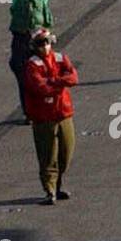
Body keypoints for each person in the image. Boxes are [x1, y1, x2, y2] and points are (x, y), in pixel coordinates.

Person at [21, 29, 78, 205]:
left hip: (63, 113)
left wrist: (53, 82)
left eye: (46, 42)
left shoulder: (60, 58)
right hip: (43, 117)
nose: (44, 46)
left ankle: (58, 185)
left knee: (66, 152)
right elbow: (40, 87)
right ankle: (50, 190)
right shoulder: (32, 65)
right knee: (47, 156)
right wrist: (60, 82)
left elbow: (73, 77)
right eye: (40, 43)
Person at [8, 0, 55, 123]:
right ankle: (29, 112)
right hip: (21, 38)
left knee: (43, 75)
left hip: (39, 39)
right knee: (23, 76)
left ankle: (43, 109)